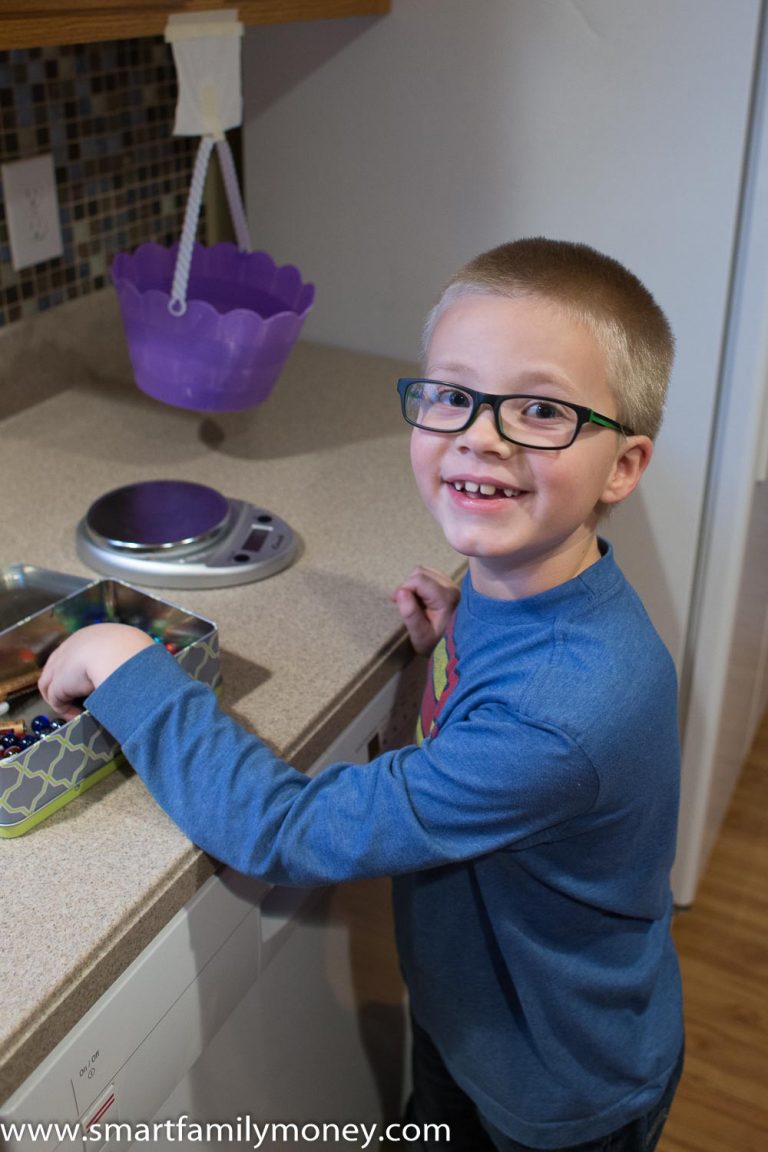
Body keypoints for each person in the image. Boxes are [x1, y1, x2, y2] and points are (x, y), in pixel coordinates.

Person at [40, 238, 684, 1152]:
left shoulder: (563, 712)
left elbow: (283, 828)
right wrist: (441, 652)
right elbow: (492, 706)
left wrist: (125, 663)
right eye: (453, 395)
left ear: (623, 465)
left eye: (539, 409)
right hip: (476, 1011)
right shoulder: (519, 585)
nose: (481, 434)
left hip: (555, 1086)